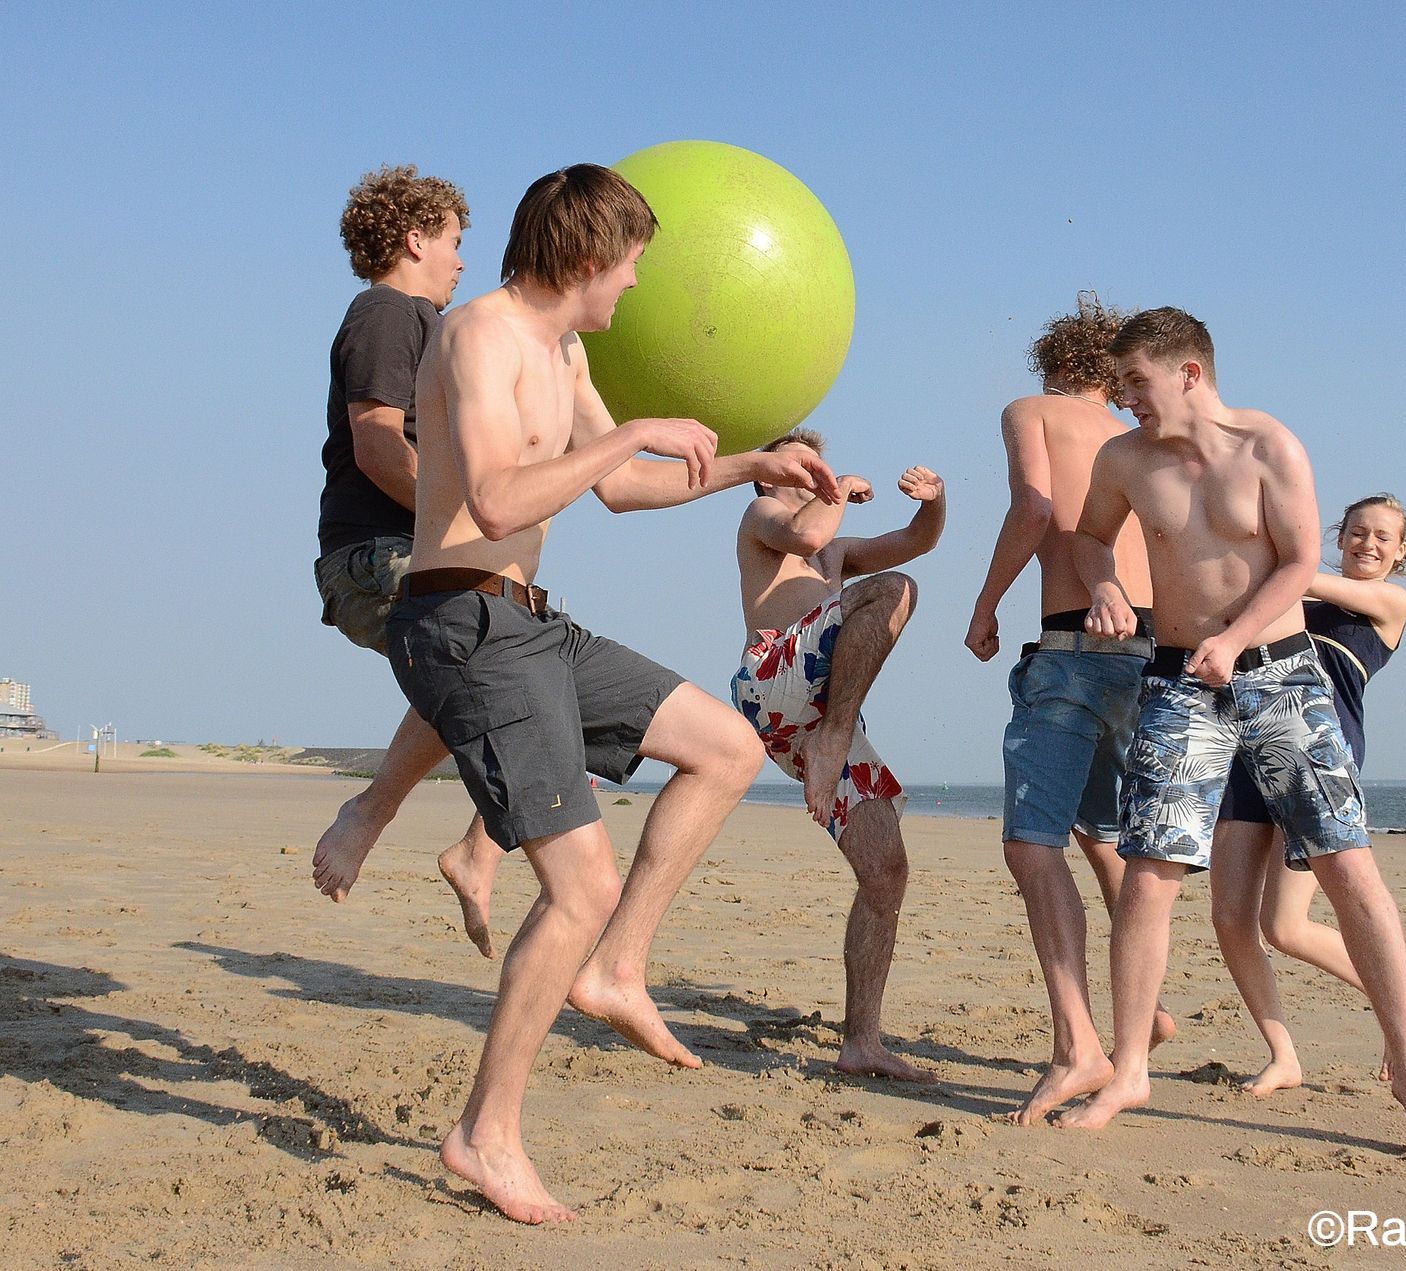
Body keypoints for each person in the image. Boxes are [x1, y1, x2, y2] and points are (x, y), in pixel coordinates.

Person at [379, 163, 839, 1224]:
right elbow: (495, 495)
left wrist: (755, 464)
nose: (634, 288)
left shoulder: (567, 348)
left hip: (529, 618)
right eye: (630, 266)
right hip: (462, 621)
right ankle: (485, 1132)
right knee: (574, 887)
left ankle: (617, 970)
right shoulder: (482, 336)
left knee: (725, 748)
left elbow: (623, 489)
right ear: (589, 258)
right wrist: (629, 430)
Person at [1059, 307, 1406, 1166]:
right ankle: (1129, 1070)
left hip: (1280, 675)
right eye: (1121, 386)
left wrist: (1236, 639)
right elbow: (1089, 537)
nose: (1125, 401)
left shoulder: (1270, 444)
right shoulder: (1124, 460)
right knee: (1151, 877)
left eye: (1137, 384)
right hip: (1174, 679)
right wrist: (1103, 586)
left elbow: (1298, 556)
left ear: (1189, 373)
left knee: (1350, 866)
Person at [964, 294, 1178, 1124]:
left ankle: (1078, 1049)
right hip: (1154, 649)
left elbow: (1035, 506)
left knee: (1031, 845)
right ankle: (1139, 1022)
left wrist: (984, 604)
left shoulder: (1034, 410)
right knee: (1108, 836)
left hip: (1075, 645)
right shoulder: (1138, 440)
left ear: (1055, 365)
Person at [309, 166, 509, 957]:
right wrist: (464, 519)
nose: (463, 261)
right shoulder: (389, 312)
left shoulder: (429, 326)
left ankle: (479, 851)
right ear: (414, 237)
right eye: (456, 242)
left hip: (407, 551)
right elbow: (377, 442)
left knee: (524, 662)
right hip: (373, 556)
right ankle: (373, 815)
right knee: (490, 637)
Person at [730, 429, 946, 1082]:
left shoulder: (837, 549)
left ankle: (861, 1041)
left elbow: (917, 541)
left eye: (817, 464)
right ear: (769, 474)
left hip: (821, 708)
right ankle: (834, 736)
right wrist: (844, 487)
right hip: (774, 676)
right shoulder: (763, 514)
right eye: (802, 465)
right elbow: (805, 536)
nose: (814, 473)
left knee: (886, 868)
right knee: (893, 590)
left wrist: (934, 500)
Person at [1209, 494, 1406, 1094]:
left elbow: (1304, 582)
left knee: (1286, 926)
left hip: (1322, 757)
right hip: (1247, 747)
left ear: (1400, 551)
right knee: (1230, 917)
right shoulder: (1295, 592)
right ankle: (1284, 1055)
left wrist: (1285, 573)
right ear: (1339, 536)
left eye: (1383, 537)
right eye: (1357, 533)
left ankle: (1398, 1008)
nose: (1368, 544)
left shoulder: (1389, 603)